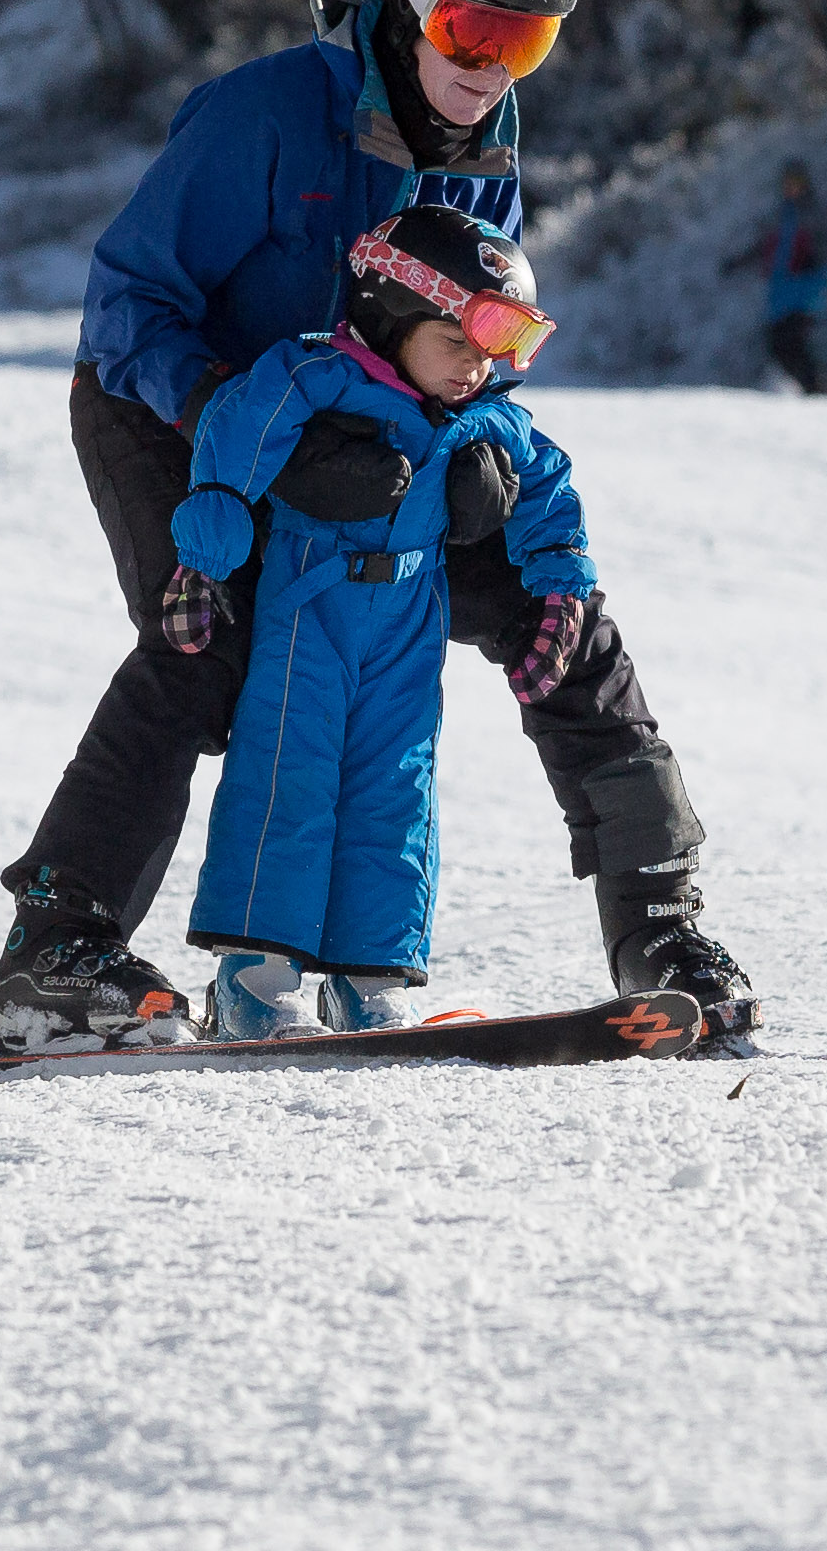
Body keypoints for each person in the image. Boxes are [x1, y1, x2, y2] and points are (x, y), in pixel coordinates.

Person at [0, 0, 754, 1050]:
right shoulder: (265, 114)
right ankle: (55, 948)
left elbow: (487, 326)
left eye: (524, 39)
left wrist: (481, 445)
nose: (490, 64)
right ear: (412, 0)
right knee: (210, 639)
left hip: (384, 444)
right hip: (172, 408)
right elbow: (127, 307)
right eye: (473, 26)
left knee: (559, 619)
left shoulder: (487, 151)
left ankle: (661, 927)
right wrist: (242, 424)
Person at [156, 209, 598, 1040]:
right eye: (457, 343)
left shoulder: (486, 414)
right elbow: (234, 435)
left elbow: (547, 489)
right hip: (310, 603)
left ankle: (370, 975)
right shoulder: (318, 375)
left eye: (493, 351)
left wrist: (561, 591)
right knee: (292, 772)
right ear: (393, 315)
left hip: (409, 618)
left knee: (397, 786)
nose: (476, 368)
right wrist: (204, 554)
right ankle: (257, 975)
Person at [765, 159, 827, 393]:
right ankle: (808, 389)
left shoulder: (813, 211)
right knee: (778, 345)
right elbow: (769, 246)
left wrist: (814, 259)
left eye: (795, 182)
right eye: (787, 182)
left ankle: (814, 390)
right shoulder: (783, 212)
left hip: (805, 291)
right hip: (782, 292)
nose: (790, 187)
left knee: (794, 342)